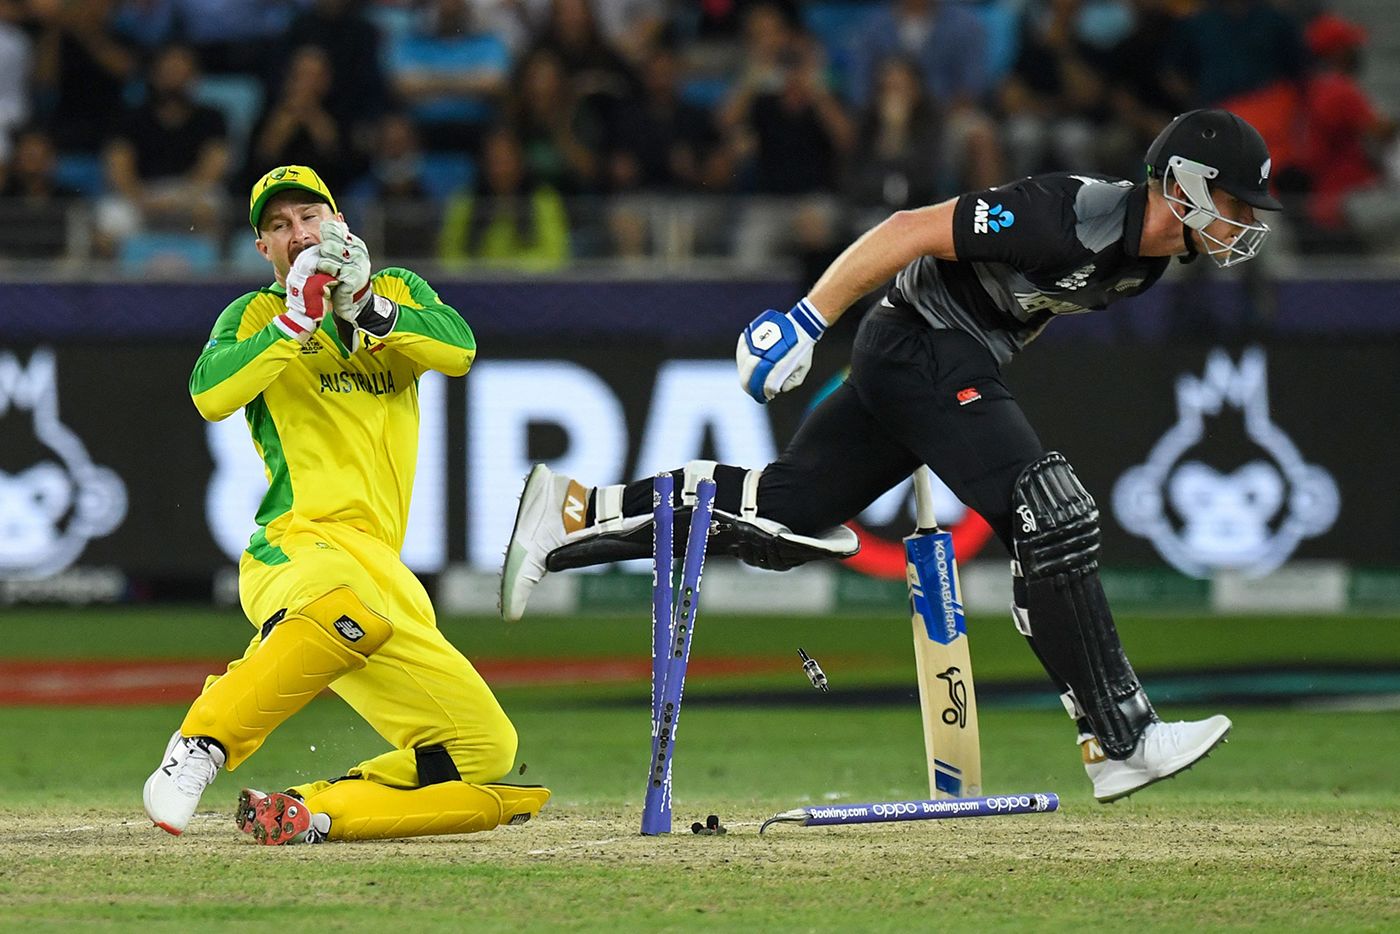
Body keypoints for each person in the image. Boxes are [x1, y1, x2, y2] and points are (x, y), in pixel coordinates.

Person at [500, 109, 1280, 803]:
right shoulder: (1065, 214)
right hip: (919, 345)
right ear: (1184, 182)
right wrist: (807, 320)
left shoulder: (1145, 264)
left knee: (787, 514)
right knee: (1048, 511)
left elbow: (1019, 308)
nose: (1245, 221)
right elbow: (911, 228)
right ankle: (1121, 739)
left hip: (931, 360)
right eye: (1237, 201)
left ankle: (572, 513)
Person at [142, 164, 548, 844]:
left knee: (483, 749)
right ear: (264, 250)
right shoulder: (254, 315)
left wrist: (366, 306)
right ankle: (199, 748)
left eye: (309, 216)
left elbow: (458, 349)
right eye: (279, 226)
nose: (298, 233)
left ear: (340, 224)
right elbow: (209, 395)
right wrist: (293, 321)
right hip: (298, 545)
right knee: (344, 606)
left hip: (383, 572)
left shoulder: (396, 290)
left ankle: (310, 813)